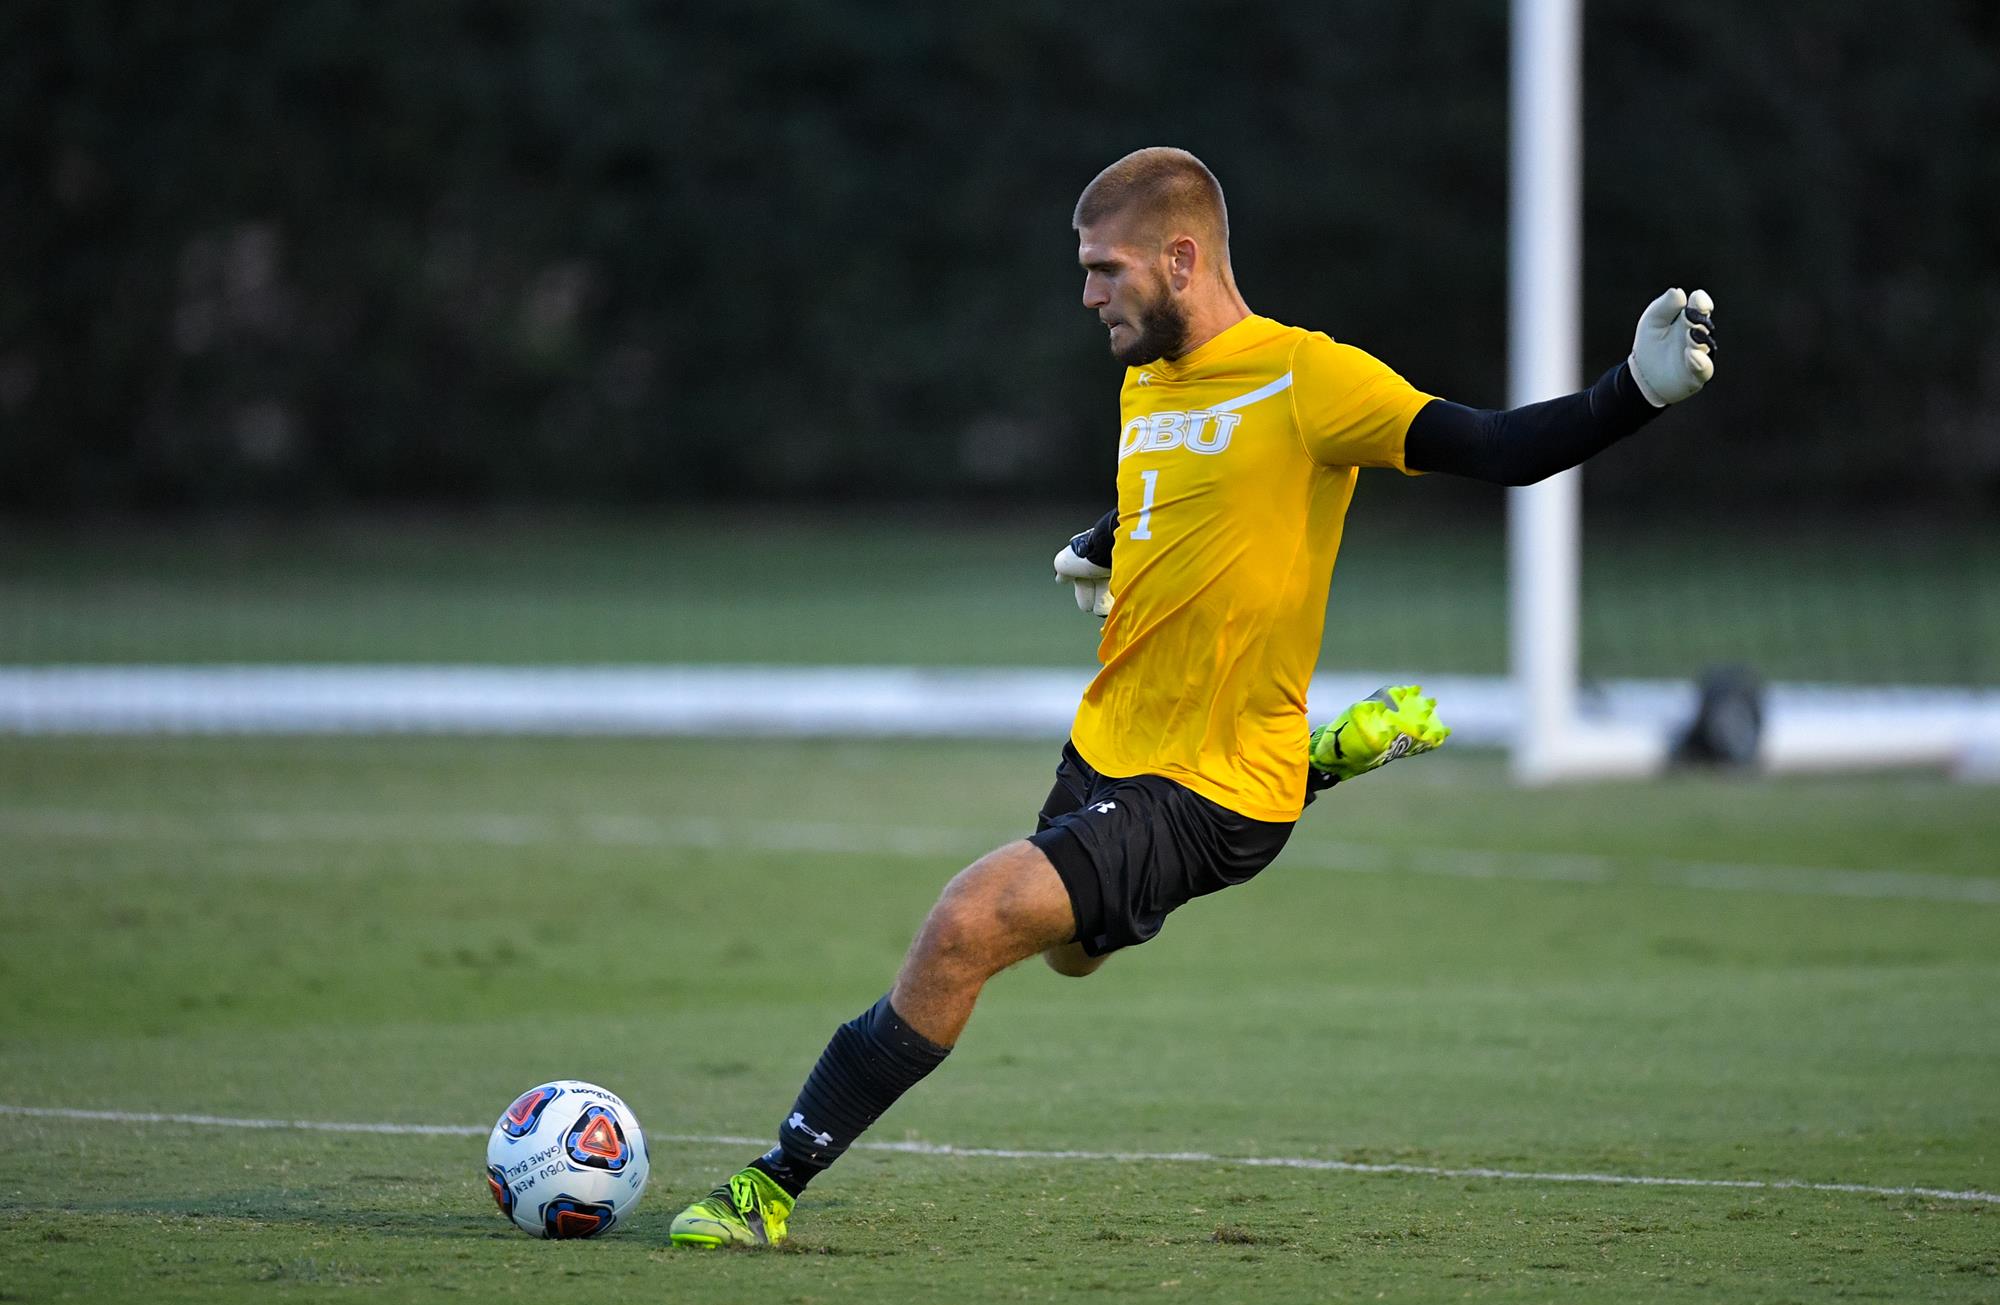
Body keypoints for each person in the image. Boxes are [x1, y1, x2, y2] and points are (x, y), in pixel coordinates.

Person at [669, 146, 1716, 1247]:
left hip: (1207, 787)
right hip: (1110, 744)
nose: (1087, 295)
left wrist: (1632, 392)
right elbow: (1183, 502)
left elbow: (1497, 447)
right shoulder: (1143, 381)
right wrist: (1106, 541)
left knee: (965, 922)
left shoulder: (1308, 378)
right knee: (1069, 954)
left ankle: (766, 1186)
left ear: (1180, 257)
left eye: (1104, 269)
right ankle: (1312, 759)